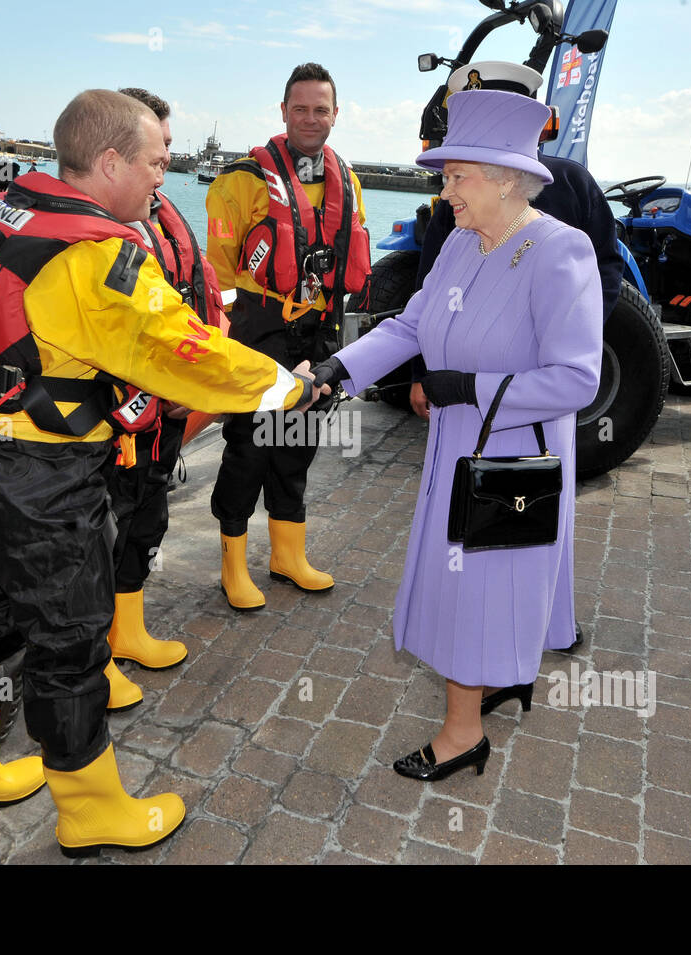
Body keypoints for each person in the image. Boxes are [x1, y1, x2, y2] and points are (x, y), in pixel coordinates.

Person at [0, 89, 325, 855]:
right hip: (41, 480)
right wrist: (287, 385)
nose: (165, 178)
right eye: (157, 164)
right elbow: (183, 352)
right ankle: (90, 809)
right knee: (70, 644)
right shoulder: (100, 255)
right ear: (109, 163)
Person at [313, 88, 603, 781]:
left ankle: (462, 732)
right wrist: (337, 368)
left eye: (455, 176)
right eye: (445, 178)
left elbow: (577, 378)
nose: (445, 193)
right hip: (458, 449)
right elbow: (411, 325)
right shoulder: (462, 246)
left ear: (506, 180)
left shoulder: (560, 252)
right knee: (481, 584)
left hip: (511, 459)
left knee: (478, 588)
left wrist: (468, 389)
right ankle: (499, 679)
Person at [411, 60, 622, 654]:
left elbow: (603, 273)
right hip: (472, 397)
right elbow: (426, 303)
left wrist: (570, 327)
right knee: (488, 540)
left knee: (520, 528)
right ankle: (500, 659)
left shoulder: (570, 197)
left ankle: (512, 652)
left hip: (527, 411)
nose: (446, 188)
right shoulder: (459, 226)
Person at [204, 62, 370, 611]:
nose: (310, 118)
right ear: (283, 111)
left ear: (335, 114)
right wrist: (227, 343)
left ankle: (287, 555)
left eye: (320, 109)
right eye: (300, 108)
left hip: (317, 333)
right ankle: (233, 565)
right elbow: (220, 274)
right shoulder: (241, 180)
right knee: (250, 446)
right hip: (260, 329)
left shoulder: (348, 179)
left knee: (296, 445)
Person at [94, 87, 229, 710]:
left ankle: (129, 631)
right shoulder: (89, 233)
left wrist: (191, 383)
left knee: (147, 520)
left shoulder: (165, 216)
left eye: (169, 149)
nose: (166, 164)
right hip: (107, 425)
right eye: (157, 152)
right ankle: (93, 660)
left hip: (163, 415)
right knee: (102, 534)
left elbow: (197, 301)